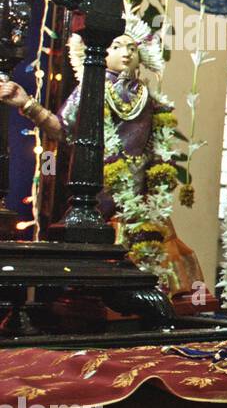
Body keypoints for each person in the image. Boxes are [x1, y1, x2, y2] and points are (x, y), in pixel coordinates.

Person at [0, 19, 203, 296]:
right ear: (100, 53)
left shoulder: (148, 97)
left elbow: (158, 150)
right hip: (98, 195)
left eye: (132, 47)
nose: (126, 53)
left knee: (154, 259)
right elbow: (61, 129)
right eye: (116, 46)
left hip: (139, 203)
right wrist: (27, 103)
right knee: (98, 271)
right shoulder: (91, 87)